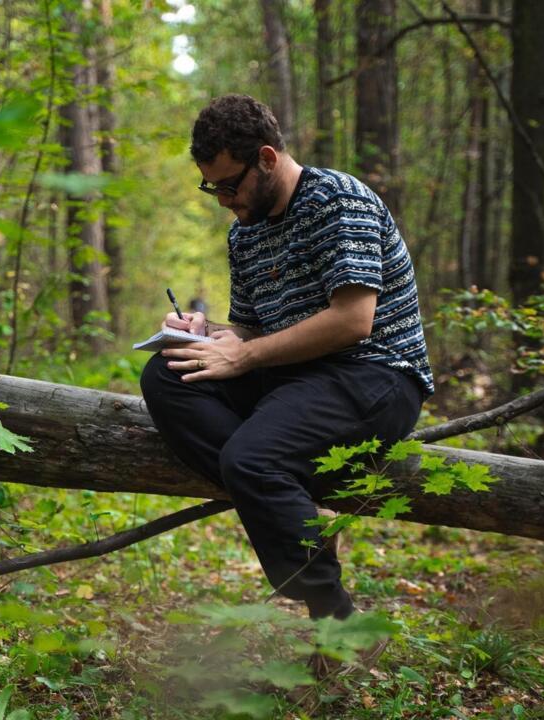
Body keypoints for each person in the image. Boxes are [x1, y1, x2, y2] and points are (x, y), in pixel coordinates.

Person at [139, 93, 433, 675]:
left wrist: (245, 357)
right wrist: (207, 332)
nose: (224, 201)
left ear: (267, 159)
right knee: (169, 373)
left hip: (375, 375)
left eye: (229, 185)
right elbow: (253, 327)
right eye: (211, 189)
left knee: (250, 460)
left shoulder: (337, 201)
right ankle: (279, 483)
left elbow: (353, 320)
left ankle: (338, 619)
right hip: (296, 379)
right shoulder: (245, 232)